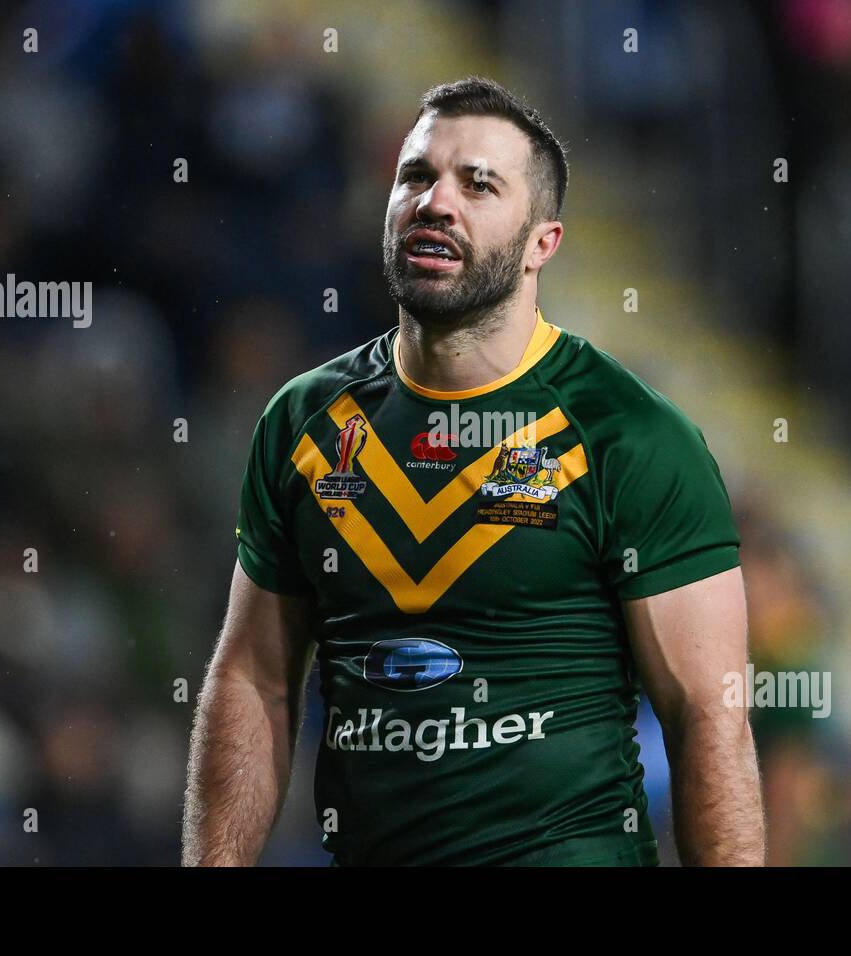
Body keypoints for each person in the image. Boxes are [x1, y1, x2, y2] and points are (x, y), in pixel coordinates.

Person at [182, 76, 764, 866]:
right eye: (415, 176)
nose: (434, 202)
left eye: (477, 184)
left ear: (541, 244)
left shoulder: (628, 434)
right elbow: (254, 680)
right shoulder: (306, 423)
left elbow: (708, 718)